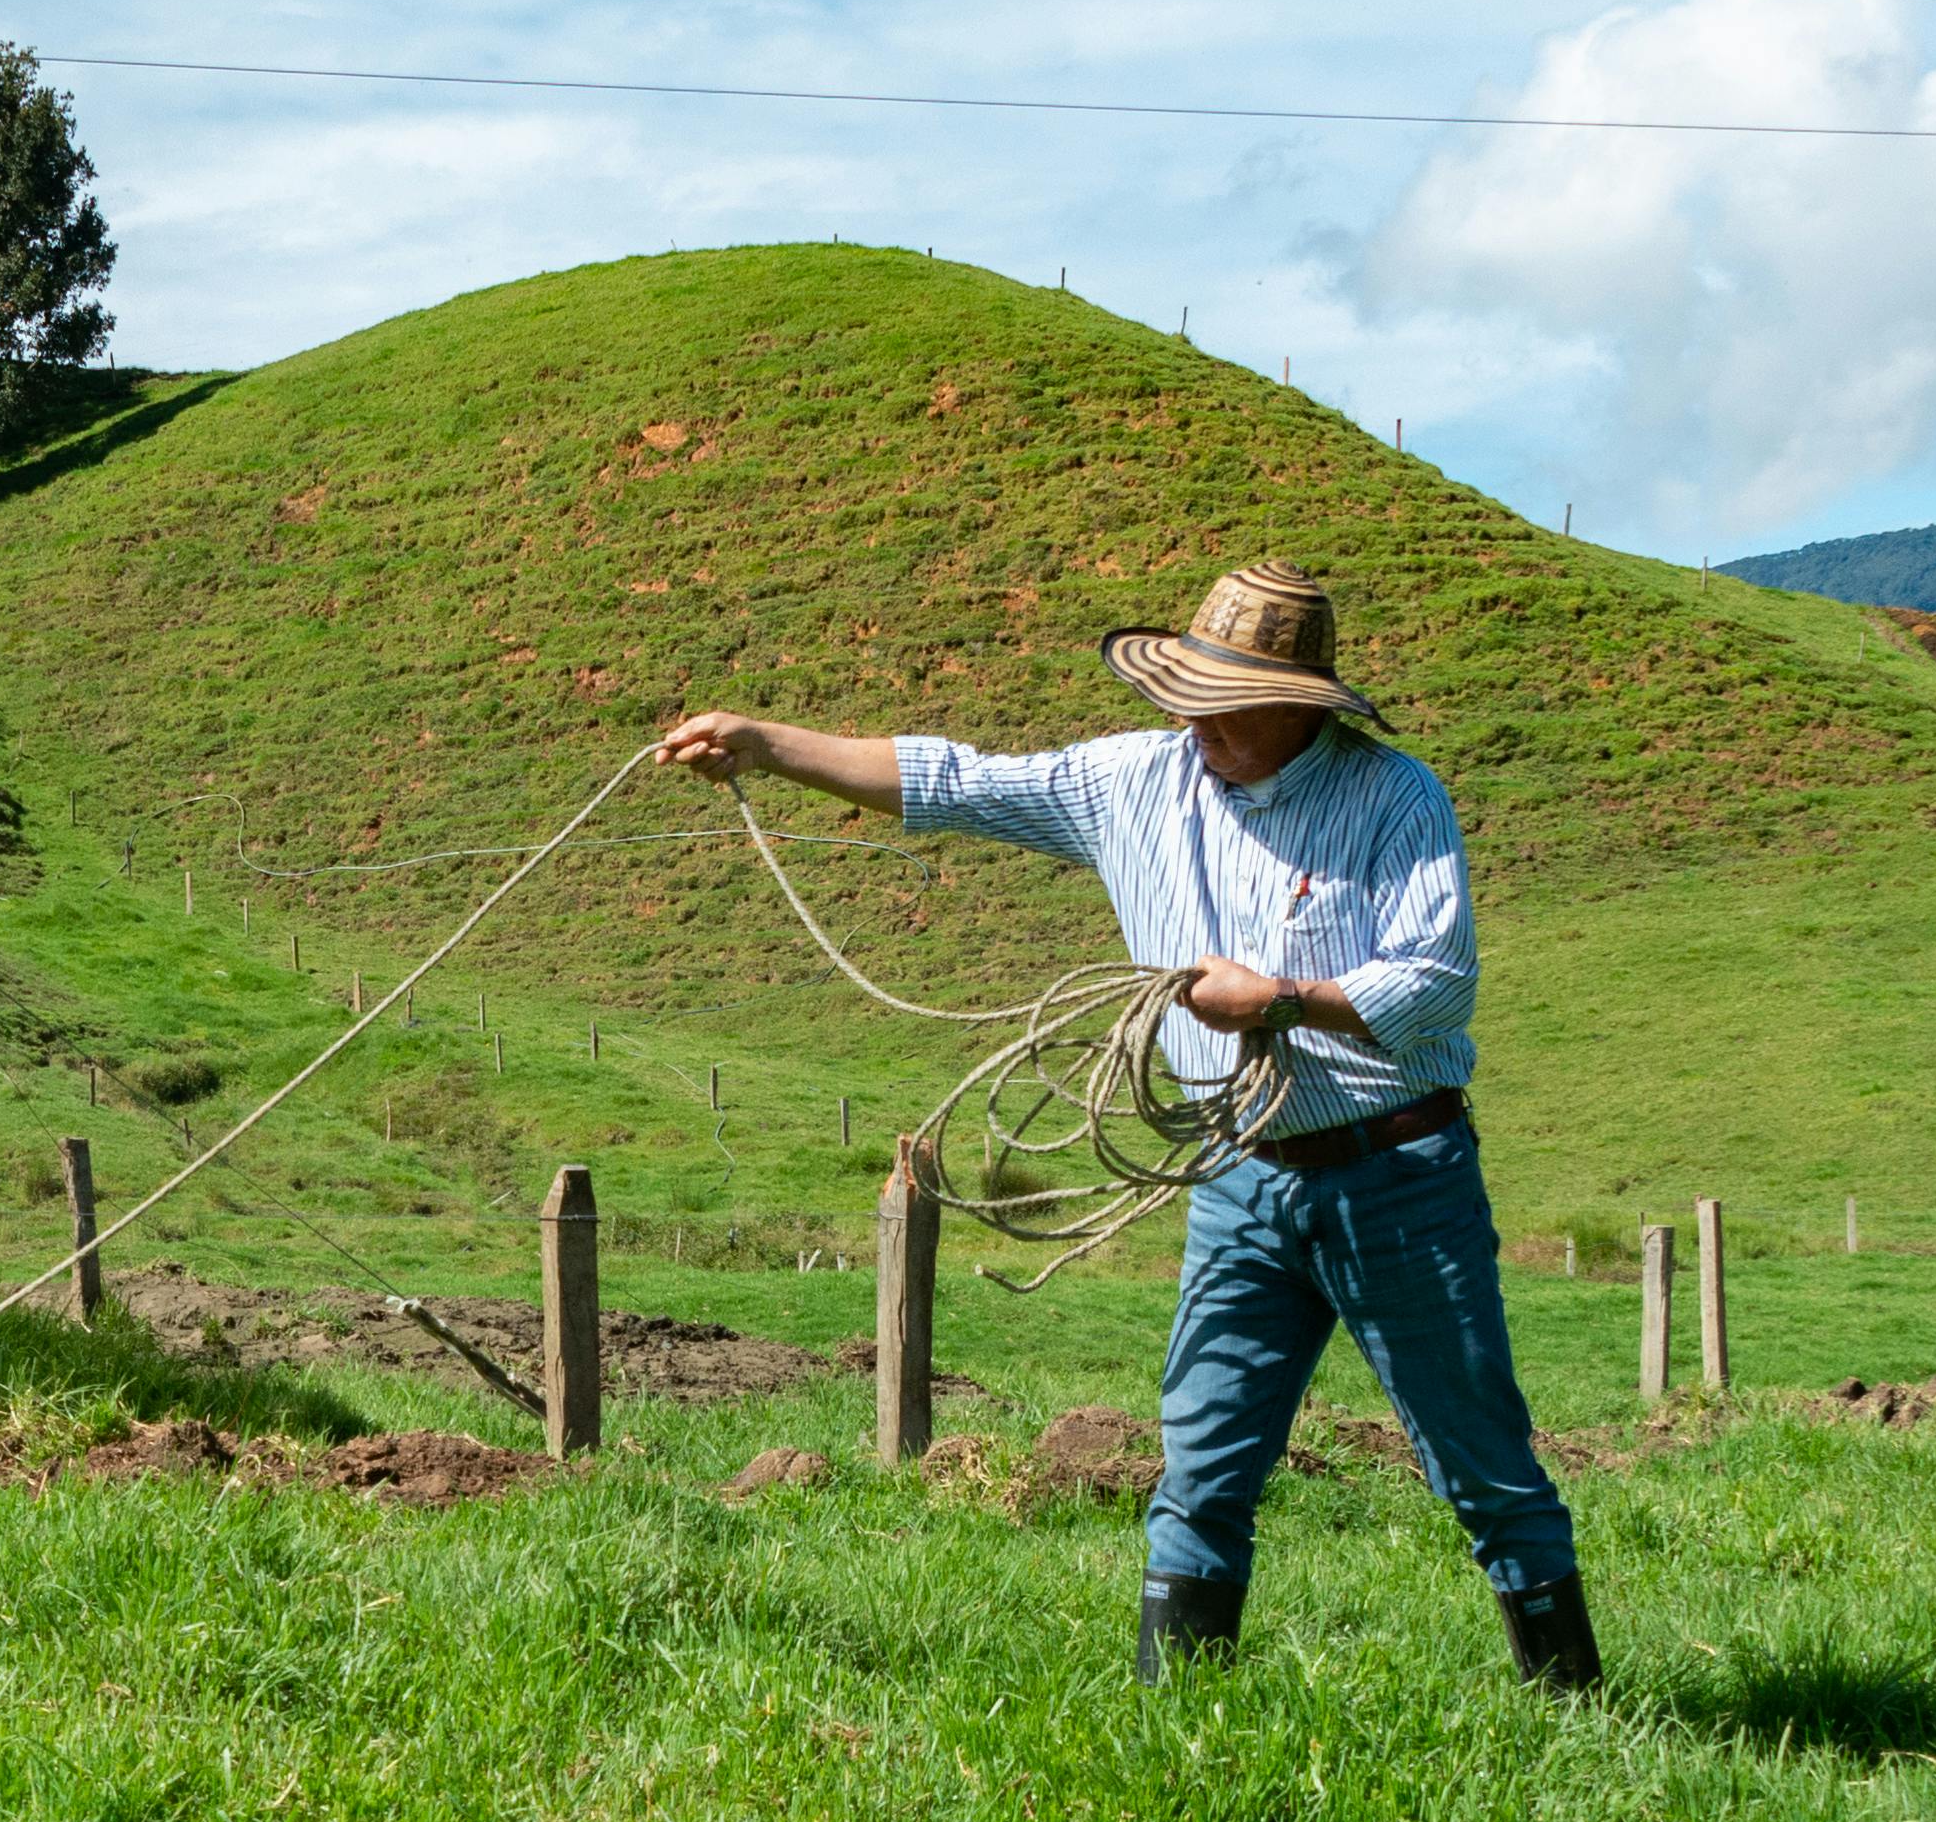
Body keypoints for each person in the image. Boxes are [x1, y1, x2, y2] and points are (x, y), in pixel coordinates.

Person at [655, 562, 1597, 1688]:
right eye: (1185, 694)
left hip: (1394, 1172)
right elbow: (950, 779)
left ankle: (1569, 1709)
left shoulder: (1397, 797)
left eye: (1220, 702)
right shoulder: (1131, 782)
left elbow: (1437, 981)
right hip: (1238, 1171)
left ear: (1300, 705)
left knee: (1480, 1463)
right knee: (1200, 1464)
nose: (1190, 720)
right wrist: (765, 743)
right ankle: (1177, 1723)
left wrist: (1281, 1000)